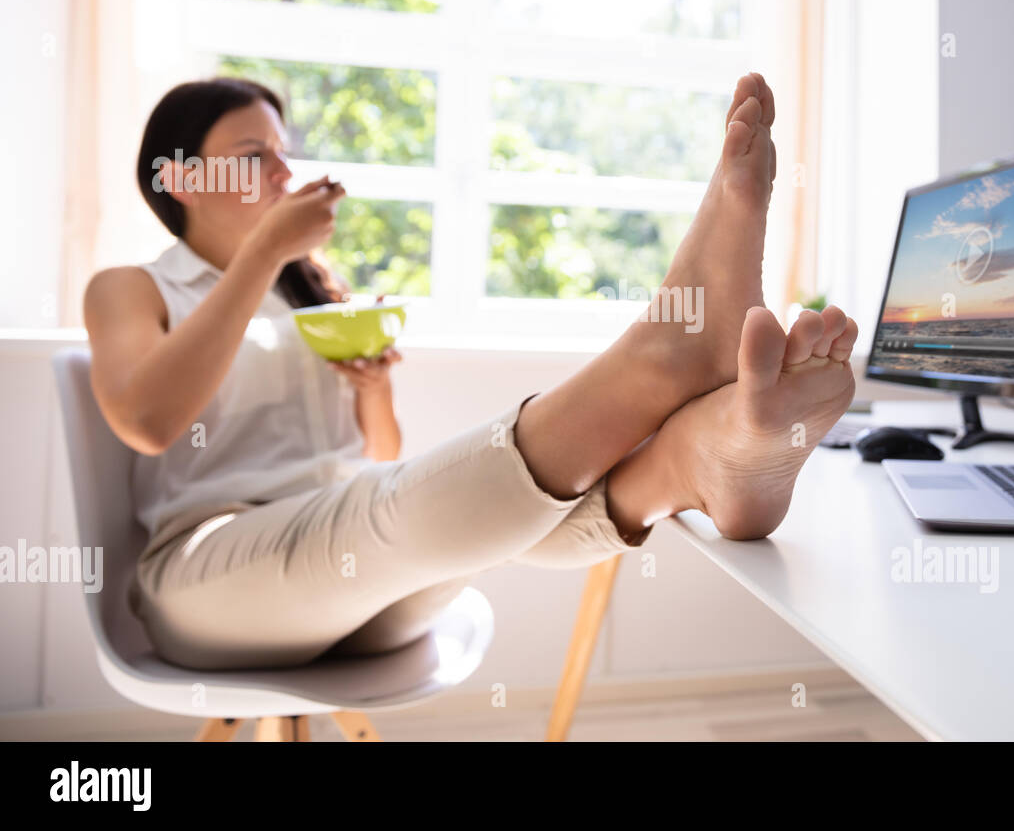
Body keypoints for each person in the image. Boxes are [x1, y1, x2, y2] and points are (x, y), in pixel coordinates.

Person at [83, 72, 859, 670]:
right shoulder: (132, 288)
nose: (284, 173)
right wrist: (265, 253)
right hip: (203, 581)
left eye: (285, 153)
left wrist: (372, 388)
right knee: (391, 515)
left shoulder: (311, 298)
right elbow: (147, 421)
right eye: (255, 158)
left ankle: (685, 466)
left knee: (483, 525)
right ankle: (657, 361)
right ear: (180, 179)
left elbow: (379, 456)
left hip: (343, 578)